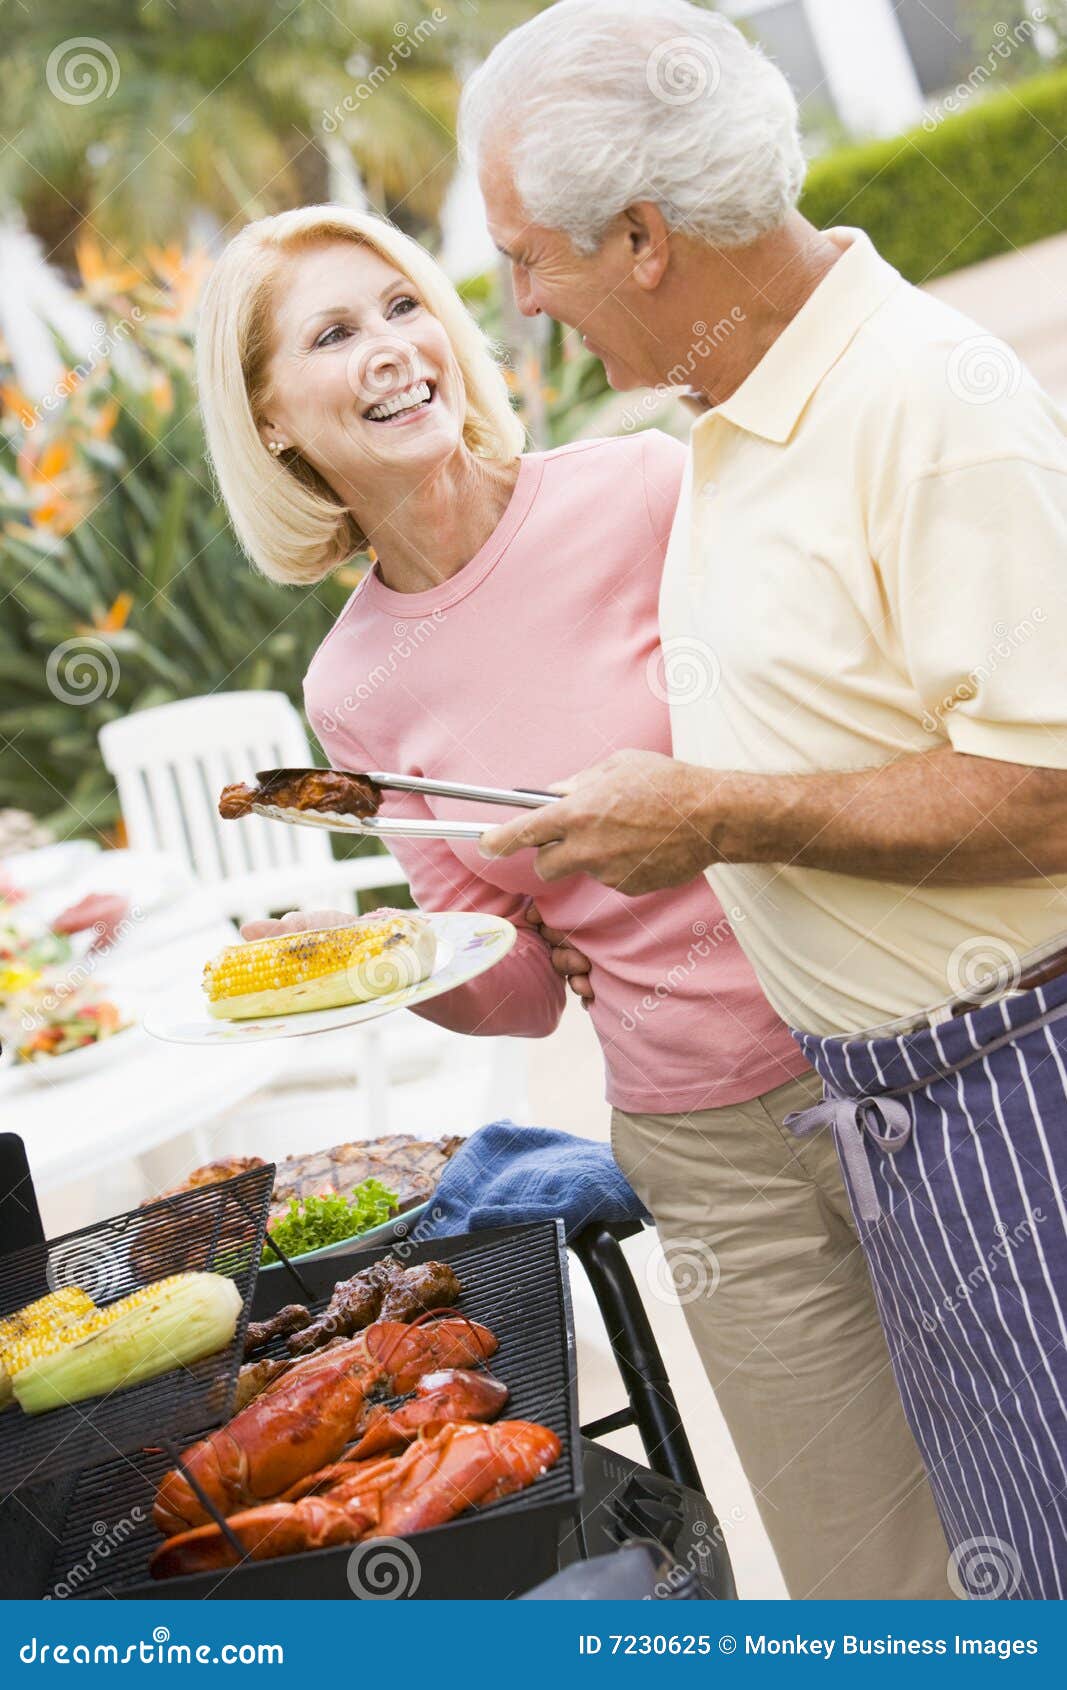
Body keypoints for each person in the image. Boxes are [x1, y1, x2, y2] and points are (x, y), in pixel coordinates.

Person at [195, 202, 948, 1599]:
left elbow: (843, 711)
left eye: (403, 306)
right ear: (272, 420)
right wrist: (376, 957)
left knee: (1030, 1477)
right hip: (706, 1147)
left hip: (895, 1051)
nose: (392, 348)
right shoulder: (352, 688)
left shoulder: (644, 489)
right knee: (867, 1571)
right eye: (335, 333)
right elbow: (520, 985)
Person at [466, 0, 1067, 1600]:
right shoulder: (732, 415)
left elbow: (1053, 795)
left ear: (642, 237)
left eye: (528, 256)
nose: (522, 302)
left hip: (1023, 1096)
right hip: (906, 1111)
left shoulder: (926, 402)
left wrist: (715, 815)